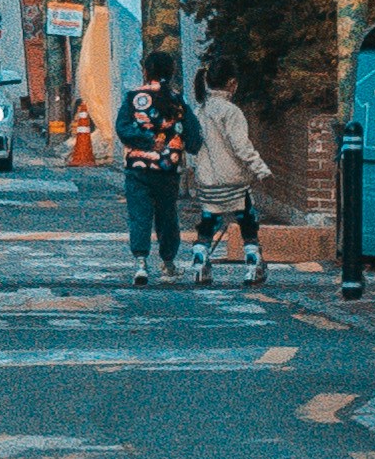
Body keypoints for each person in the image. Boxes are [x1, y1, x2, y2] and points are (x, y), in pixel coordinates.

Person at [114, 46, 200, 286]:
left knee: (139, 215)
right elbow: (193, 135)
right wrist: (189, 148)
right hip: (167, 169)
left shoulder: (134, 97)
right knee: (167, 216)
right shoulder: (177, 100)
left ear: (146, 71)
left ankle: (141, 263)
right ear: (171, 72)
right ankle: (168, 263)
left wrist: (147, 140)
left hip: (138, 167)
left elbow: (122, 128)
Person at [191, 54, 271, 284]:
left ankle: (200, 255)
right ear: (232, 83)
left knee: (209, 220)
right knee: (247, 221)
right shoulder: (231, 112)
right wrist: (260, 169)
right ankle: (253, 263)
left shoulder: (200, 112)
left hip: (207, 180)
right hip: (234, 181)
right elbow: (241, 146)